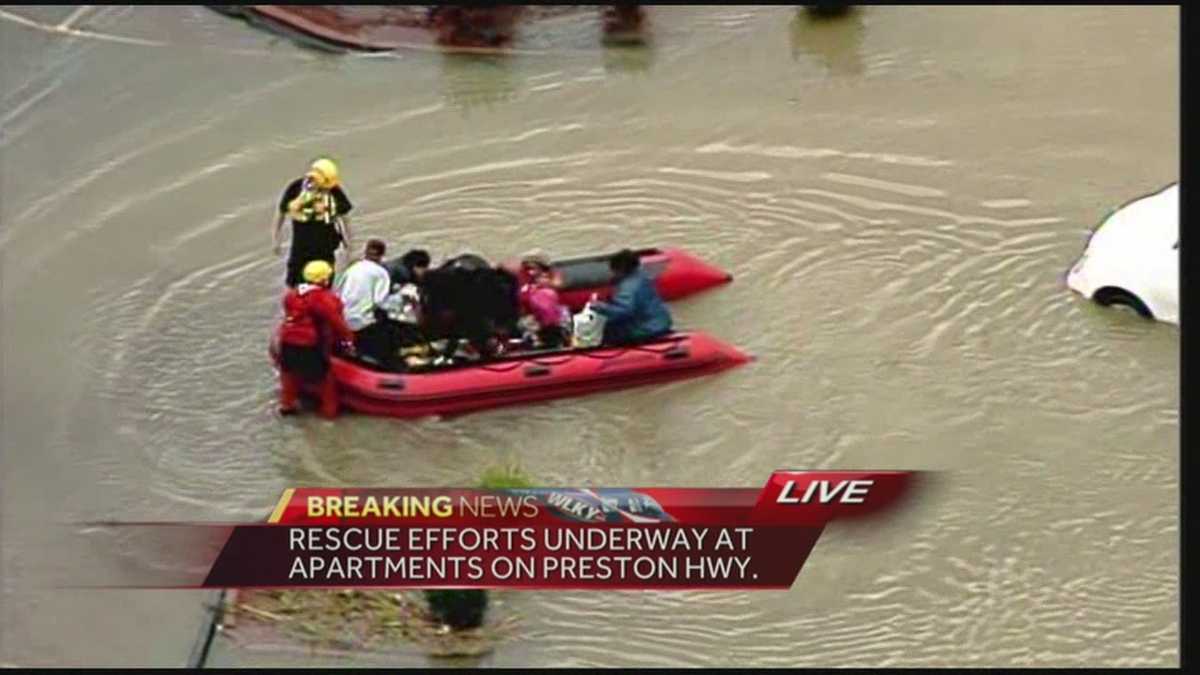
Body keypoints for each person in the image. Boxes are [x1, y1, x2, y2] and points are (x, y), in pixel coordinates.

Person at [277, 260, 356, 418]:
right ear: (325, 279)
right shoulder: (324, 299)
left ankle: (286, 406)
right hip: (309, 344)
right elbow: (337, 323)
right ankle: (329, 415)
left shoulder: (292, 295)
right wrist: (349, 341)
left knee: (288, 375)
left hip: (286, 341)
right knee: (326, 381)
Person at [272, 158, 354, 287]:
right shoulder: (295, 189)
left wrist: (349, 246)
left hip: (325, 244)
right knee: (294, 280)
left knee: (325, 278)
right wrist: (276, 239)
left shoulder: (334, 191)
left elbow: (345, 219)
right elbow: (281, 212)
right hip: (301, 244)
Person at [590, 248, 672, 345]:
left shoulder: (628, 287)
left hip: (647, 328)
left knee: (607, 331)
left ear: (621, 269)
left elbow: (623, 311)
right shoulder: (641, 274)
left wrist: (598, 306)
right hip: (658, 321)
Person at [335, 238, 394, 367]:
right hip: (364, 323)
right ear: (381, 255)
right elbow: (380, 301)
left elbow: (337, 293)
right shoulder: (381, 273)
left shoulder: (352, 269)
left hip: (343, 321)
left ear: (365, 252)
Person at [517, 254, 570, 348]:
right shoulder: (525, 282)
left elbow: (559, 284)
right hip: (532, 316)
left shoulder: (551, 278)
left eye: (533, 268)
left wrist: (545, 284)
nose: (530, 272)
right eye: (527, 269)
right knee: (527, 323)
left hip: (555, 314)